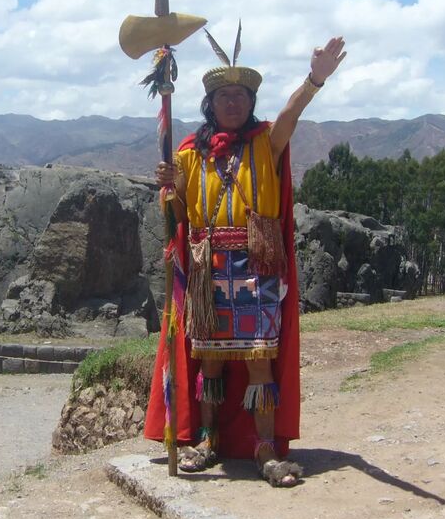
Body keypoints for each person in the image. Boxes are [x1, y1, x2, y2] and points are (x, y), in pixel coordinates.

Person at [143, 33, 346, 487]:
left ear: (251, 101)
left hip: (258, 265)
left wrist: (315, 78)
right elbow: (178, 216)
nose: (231, 103)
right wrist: (169, 188)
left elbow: (293, 114)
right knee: (210, 361)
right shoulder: (189, 155)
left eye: (239, 96)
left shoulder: (266, 142)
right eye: (222, 96)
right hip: (206, 266)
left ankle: (265, 449)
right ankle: (210, 440)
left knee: (259, 360)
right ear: (209, 104)